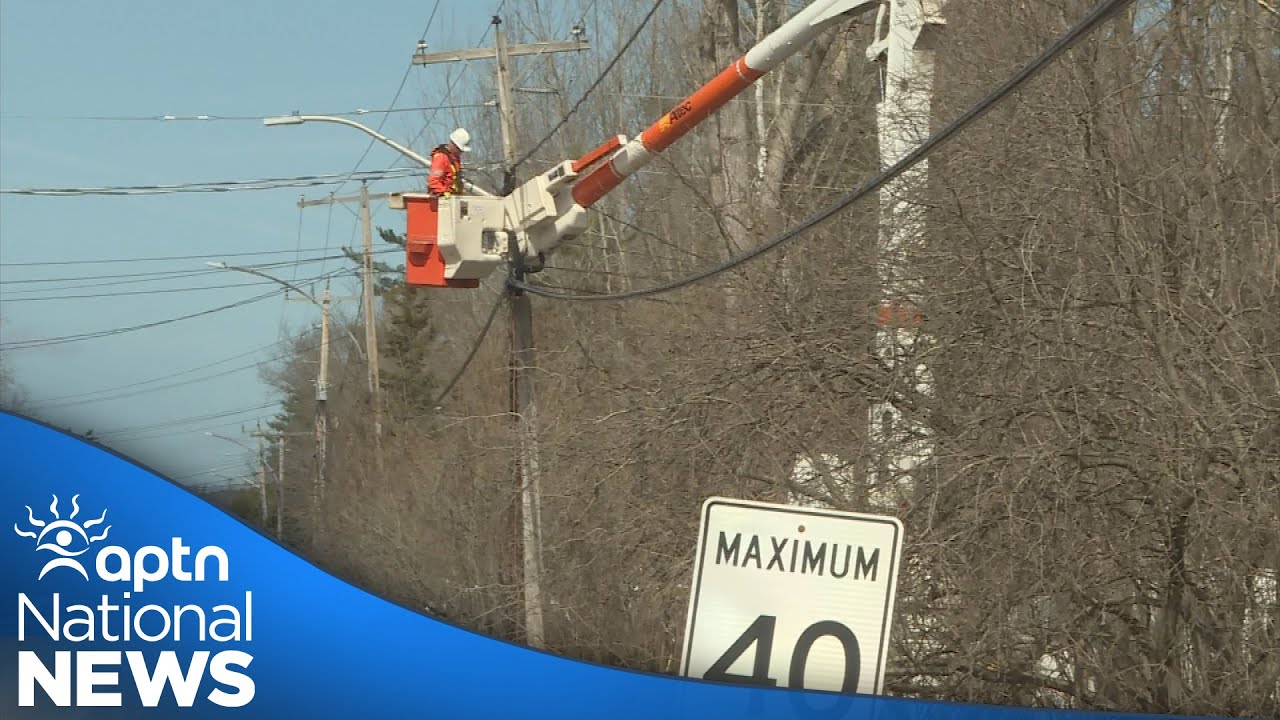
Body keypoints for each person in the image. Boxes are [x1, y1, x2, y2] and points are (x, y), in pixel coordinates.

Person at [427, 128, 471, 197]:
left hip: (453, 197)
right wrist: (444, 193)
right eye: (459, 149)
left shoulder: (454, 158)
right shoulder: (441, 158)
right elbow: (434, 181)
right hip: (442, 199)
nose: (460, 152)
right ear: (452, 144)